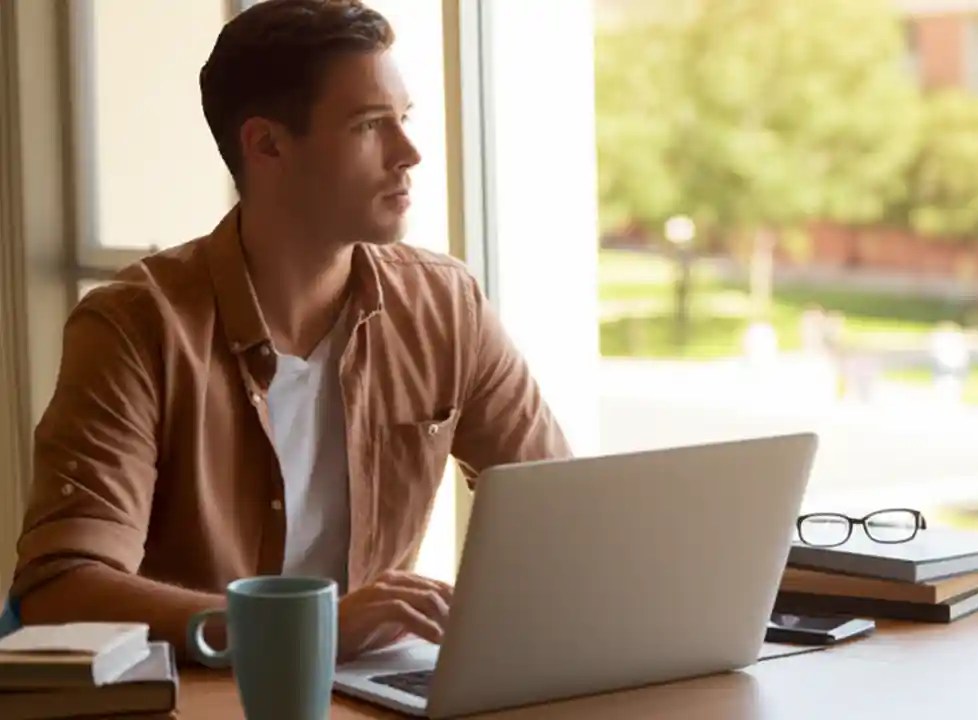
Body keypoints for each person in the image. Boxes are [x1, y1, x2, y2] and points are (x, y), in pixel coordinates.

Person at [7, 0, 570, 662]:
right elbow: (61, 589)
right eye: (369, 125)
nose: (409, 153)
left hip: (363, 690)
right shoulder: (135, 327)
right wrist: (311, 625)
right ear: (267, 144)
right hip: (202, 699)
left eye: (404, 118)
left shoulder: (444, 306)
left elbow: (564, 517)